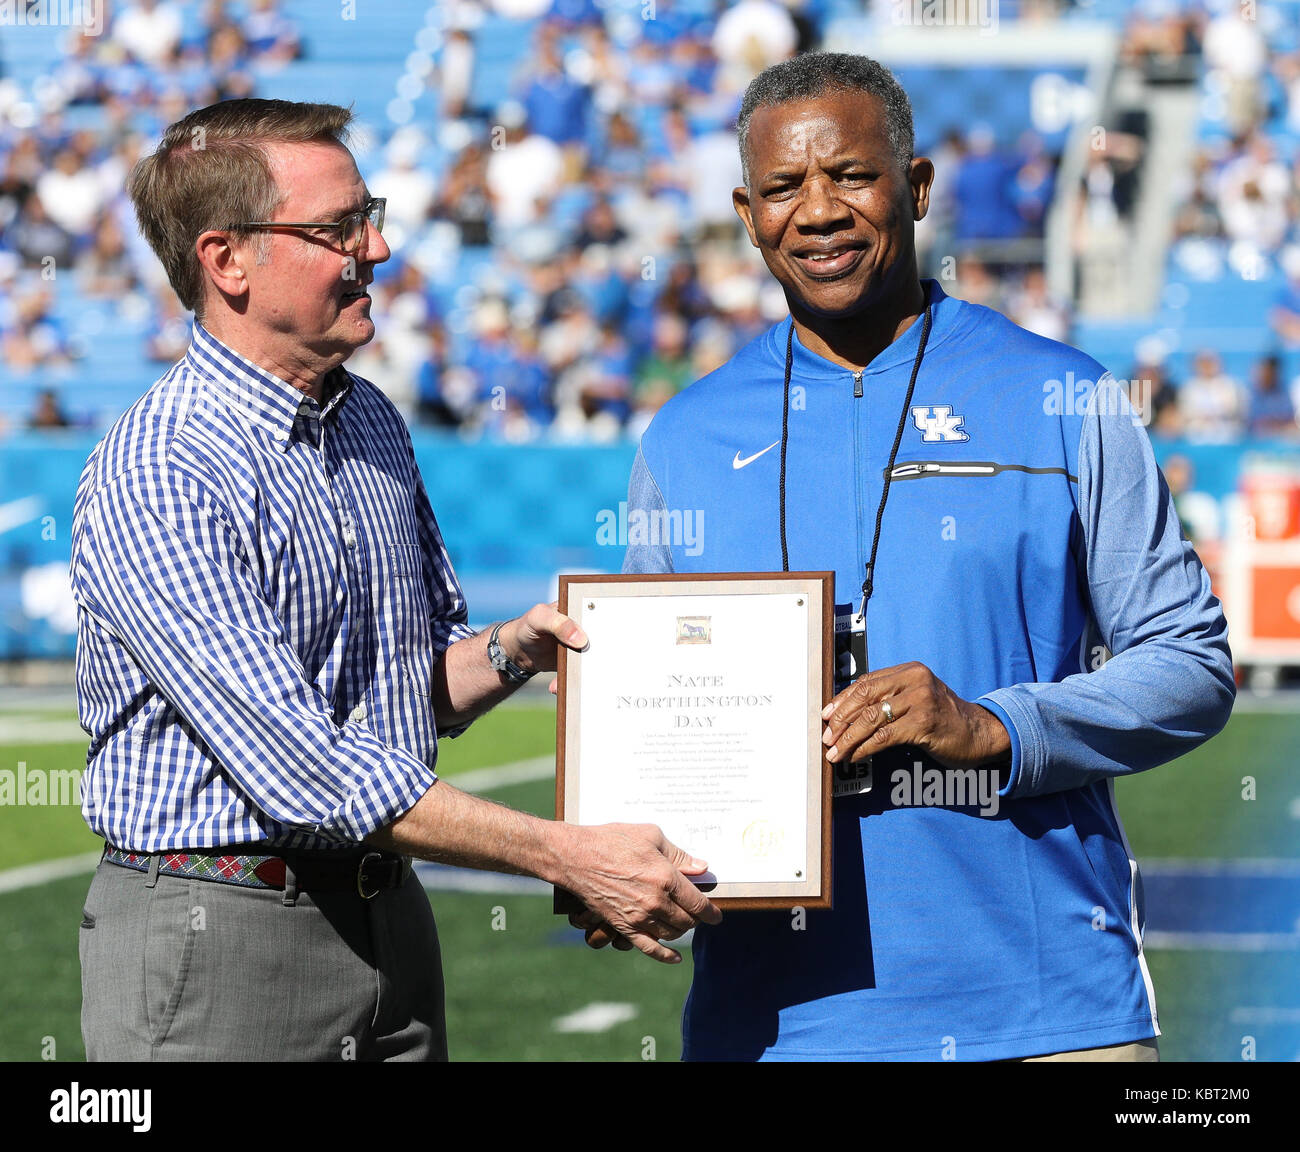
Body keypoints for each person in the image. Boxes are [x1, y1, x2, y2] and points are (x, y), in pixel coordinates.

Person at [578, 54, 1235, 1061]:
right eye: (785, 188)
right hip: (774, 1027)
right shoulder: (683, 437)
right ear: (747, 214)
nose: (819, 212)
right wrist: (621, 857)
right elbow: (653, 727)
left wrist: (993, 725)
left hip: (1053, 1016)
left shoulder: (1066, 396)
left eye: (850, 174)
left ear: (915, 187)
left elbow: (1190, 667)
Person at [71, 98, 719, 1063]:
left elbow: (387, 704)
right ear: (227, 260)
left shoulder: (369, 420)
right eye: (338, 227)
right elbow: (307, 769)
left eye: (367, 212)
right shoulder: (162, 468)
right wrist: (568, 852)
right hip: (221, 941)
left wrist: (512, 653)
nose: (377, 246)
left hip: (388, 921)